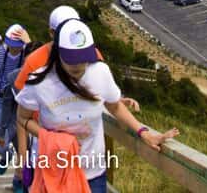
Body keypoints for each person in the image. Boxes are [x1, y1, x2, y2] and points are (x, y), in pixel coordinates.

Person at [16, 19, 179, 193]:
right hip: (55, 173)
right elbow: (22, 117)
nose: (78, 65)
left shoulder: (100, 72)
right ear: (58, 52)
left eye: (83, 58)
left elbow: (114, 106)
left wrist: (143, 133)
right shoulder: (40, 81)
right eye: (71, 59)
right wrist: (52, 138)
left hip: (93, 174)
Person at [0, 25, 28, 185]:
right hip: (2, 103)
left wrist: (28, 45)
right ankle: (6, 155)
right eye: (12, 46)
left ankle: (18, 178)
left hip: (21, 103)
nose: (15, 49)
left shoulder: (26, 54)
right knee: (0, 144)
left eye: (19, 46)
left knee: (22, 146)